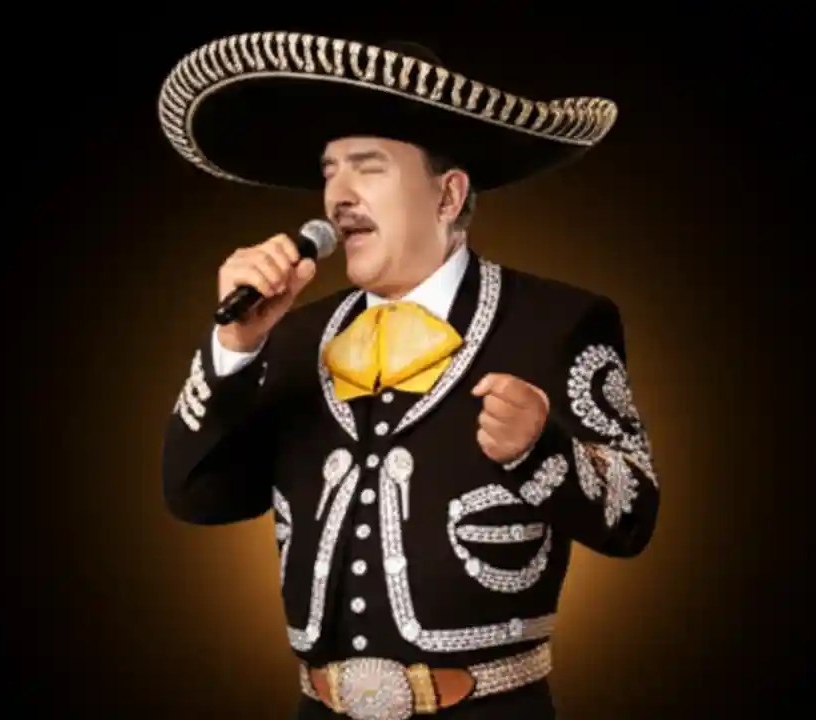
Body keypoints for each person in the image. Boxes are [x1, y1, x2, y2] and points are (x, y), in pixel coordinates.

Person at [158, 32, 660, 719]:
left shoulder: (559, 320)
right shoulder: (295, 334)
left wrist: (540, 451)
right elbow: (196, 497)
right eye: (330, 170)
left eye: (369, 168)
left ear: (448, 195)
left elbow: (633, 516)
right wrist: (234, 346)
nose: (337, 196)